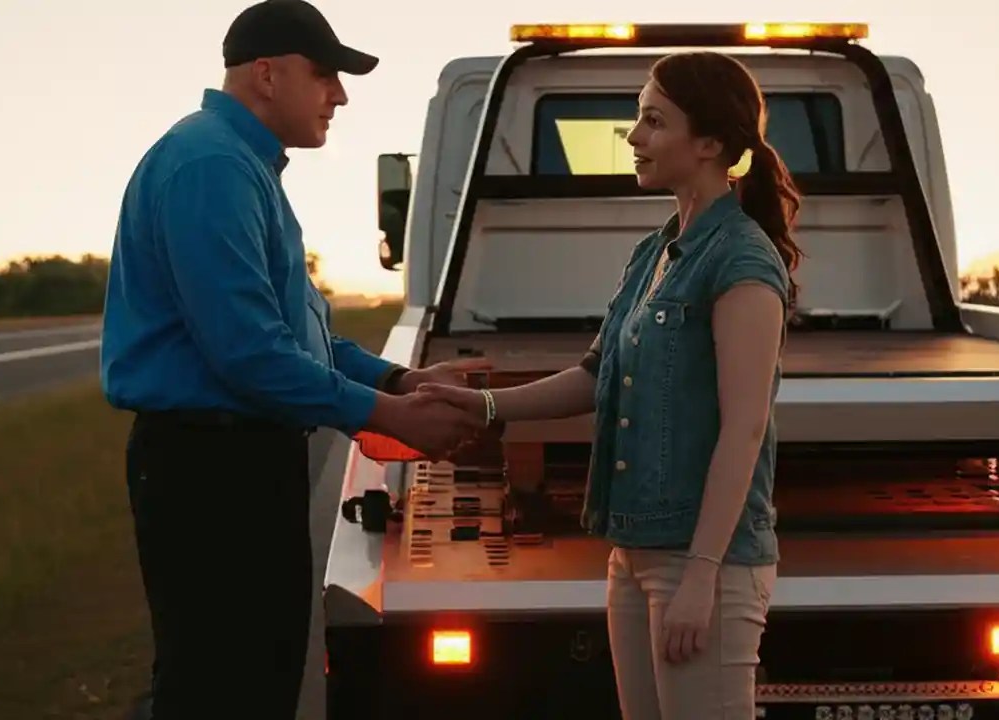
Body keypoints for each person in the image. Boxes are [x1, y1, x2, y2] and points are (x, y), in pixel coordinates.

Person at [99, 1, 485, 717]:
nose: (338, 95)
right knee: (222, 687)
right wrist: (389, 414)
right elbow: (248, 353)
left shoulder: (243, 167)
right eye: (325, 74)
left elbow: (306, 339)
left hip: (239, 464)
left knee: (261, 676)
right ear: (267, 74)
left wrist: (402, 378)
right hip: (209, 473)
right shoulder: (211, 166)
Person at [422, 51, 801, 720]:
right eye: (638, 119)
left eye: (653, 121)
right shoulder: (654, 251)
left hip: (701, 560)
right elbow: (594, 375)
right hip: (634, 552)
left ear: (710, 143)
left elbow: (745, 428)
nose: (633, 137)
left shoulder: (742, 259)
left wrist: (702, 575)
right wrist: (484, 405)